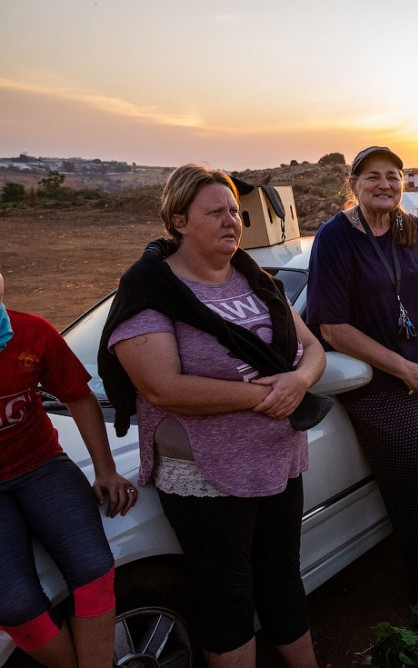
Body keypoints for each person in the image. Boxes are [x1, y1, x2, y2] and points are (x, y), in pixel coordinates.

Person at [100, 164, 326, 667]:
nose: (231, 221)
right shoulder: (150, 290)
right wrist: (262, 395)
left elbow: (311, 348)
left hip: (277, 457)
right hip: (206, 471)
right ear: (179, 221)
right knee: (226, 595)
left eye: (233, 211)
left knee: (283, 577)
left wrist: (300, 381)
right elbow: (162, 387)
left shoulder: (254, 277)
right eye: (215, 212)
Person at [306, 147, 418, 599]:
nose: (385, 184)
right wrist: (403, 367)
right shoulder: (335, 238)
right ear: (353, 185)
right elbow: (332, 327)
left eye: (393, 176)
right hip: (378, 383)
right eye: (372, 177)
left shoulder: (416, 232)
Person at [0, 268, 135, 668]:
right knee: (13, 604)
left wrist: (106, 469)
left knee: (93, 568)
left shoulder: (32, 332)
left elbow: (78, 396)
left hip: (40, 465)